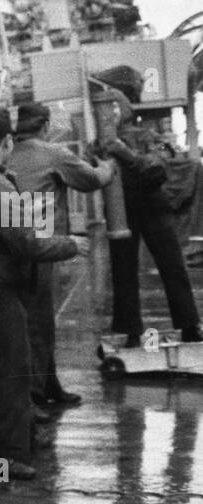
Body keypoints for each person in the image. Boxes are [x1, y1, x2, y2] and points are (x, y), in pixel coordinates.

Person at [0, 108, 83, 482]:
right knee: (13, 367)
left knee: (15, 362)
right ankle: (3, 460)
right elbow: (26, 243)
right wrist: (70, 244)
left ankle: (20, 438)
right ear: (7, 142)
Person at [7, 101, 115, 409]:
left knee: (32, 323)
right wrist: (108, 167)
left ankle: (49, 383)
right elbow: (92, 180)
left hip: (13, 246)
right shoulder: (53, 153)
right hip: (41, 248)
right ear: (44, 126)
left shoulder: (8, 154)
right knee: (40, 324)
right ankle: (37, 396)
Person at [94, 66, 203, 344]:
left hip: (153, 207)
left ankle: (190, 325)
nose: (111, 114)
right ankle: (130, 331)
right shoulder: (100, 144)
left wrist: (124, 152)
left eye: (115, 107)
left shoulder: (146, 136)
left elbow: (156, 170)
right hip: (122, 211)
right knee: (123, 272)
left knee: (172, 266)